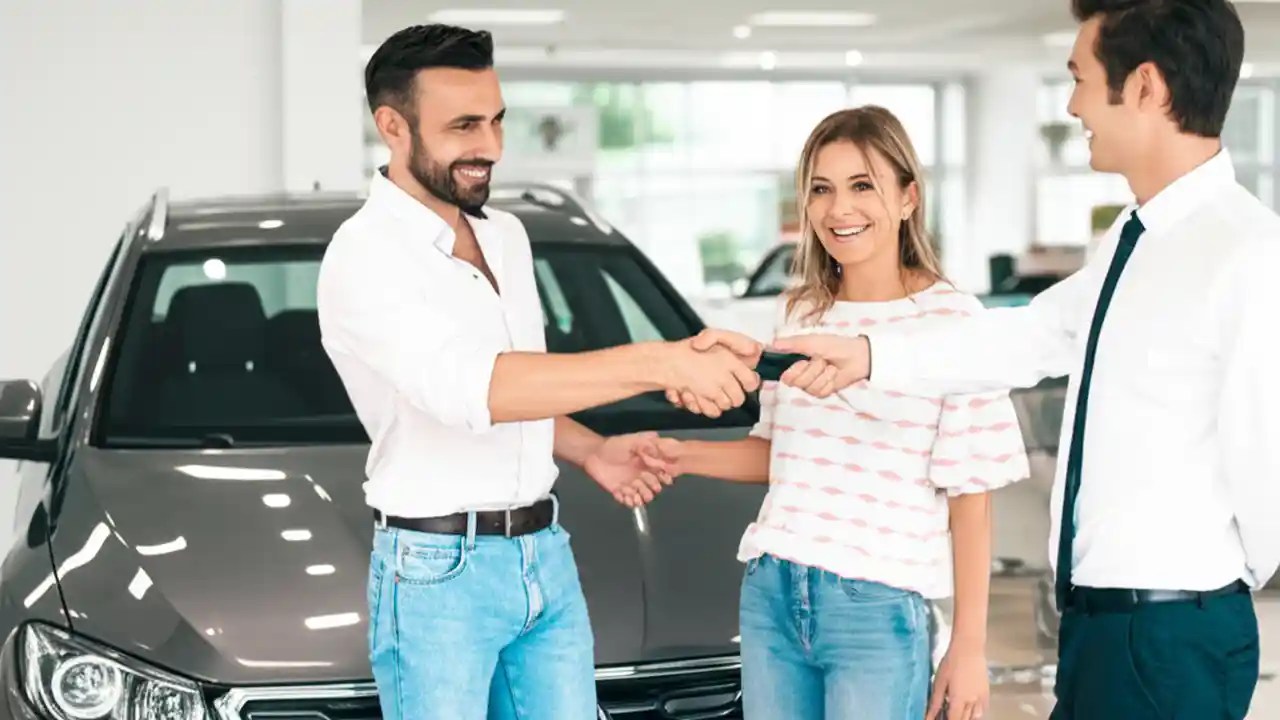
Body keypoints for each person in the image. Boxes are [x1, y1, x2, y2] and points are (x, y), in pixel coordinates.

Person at [699, 1, 1280, 717]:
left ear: (1147, 88)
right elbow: (1022, 338)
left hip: (1172, 624)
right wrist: (863, 354)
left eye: (1081, 79)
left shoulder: (1249, 252)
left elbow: (1268, 464)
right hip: (1103, 624)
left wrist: (1209, 583)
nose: (1071, 105)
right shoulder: (1136, 240)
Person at [316, 25, 759, 720]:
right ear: (392, 127)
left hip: (542, 555)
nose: (490, 146)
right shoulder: (365, 255)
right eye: (464, 125)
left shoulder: (506, 236)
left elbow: (530, 385)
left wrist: (590, 449)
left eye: (496, 120)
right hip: (436, 574)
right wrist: (661, 360)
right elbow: (477, 389)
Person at [653, 106, 1029, 720]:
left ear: (908, 197)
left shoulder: (953, 322)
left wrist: (968, 647)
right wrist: (682, 454)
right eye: (821, 189)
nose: (838, 209)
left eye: (862, 186)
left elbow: (973, 498)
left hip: (875, 608)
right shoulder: (801, 312)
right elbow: (784, 455)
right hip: (773, 591)